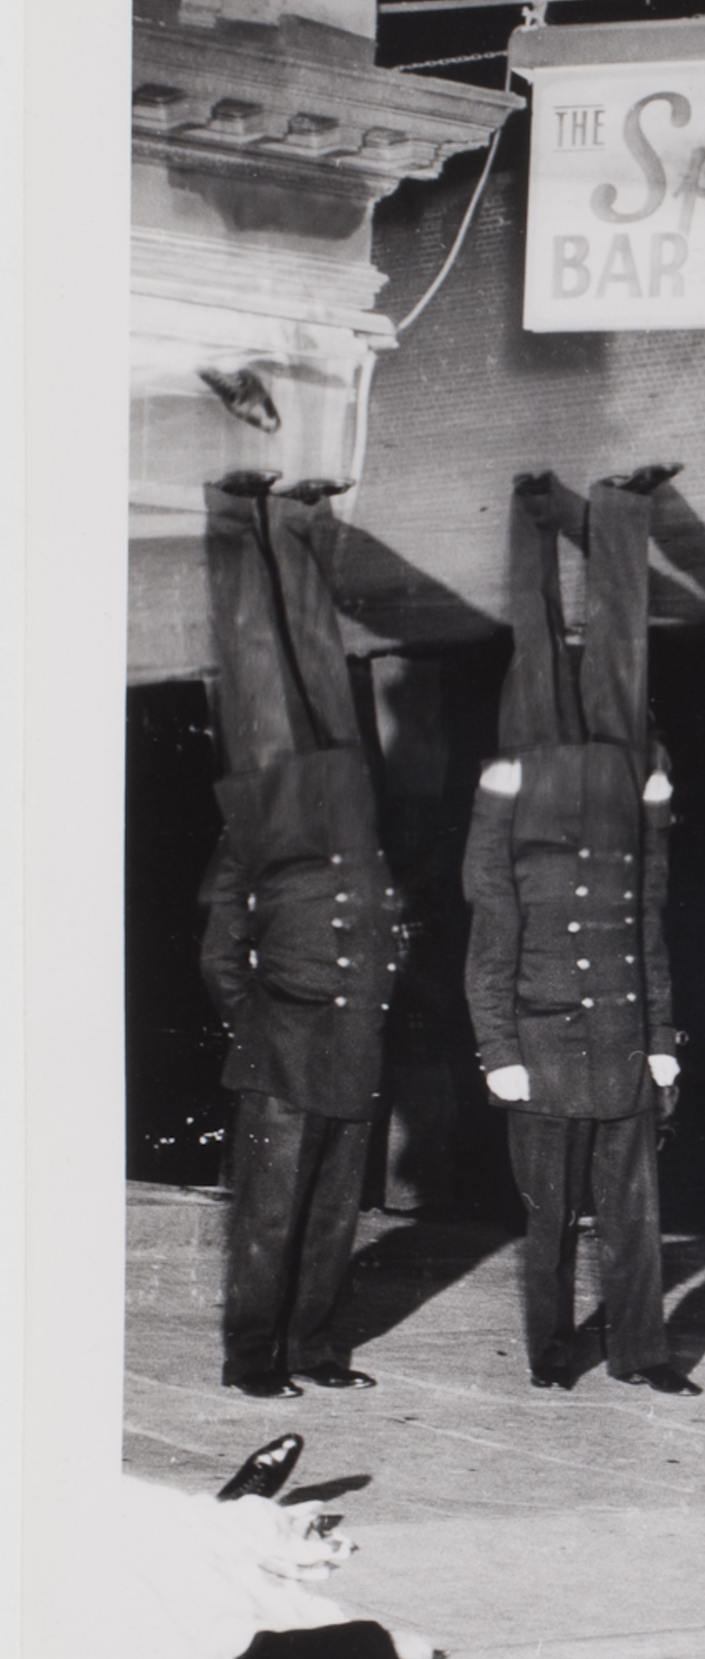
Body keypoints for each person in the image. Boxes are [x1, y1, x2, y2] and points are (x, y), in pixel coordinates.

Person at [462, 468, 695, 1394]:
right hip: (548, 1056)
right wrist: (499, 1055)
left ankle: (643, 1353)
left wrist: (663, 1047)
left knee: (634, 1216)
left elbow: (652, 922)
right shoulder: (512, 858)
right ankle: (553, 1352)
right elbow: (486, 924)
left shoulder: (632, 866)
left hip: (619, 1051)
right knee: (548, 1217)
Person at [198, 472, 402, 1400]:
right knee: (299, 667)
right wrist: (262, 1023)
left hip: (348, 1036)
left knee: (328, 1215)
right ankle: (254, 1364)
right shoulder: (247, 866)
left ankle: (316, 1351)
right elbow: (219, 951)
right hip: (288, 1047)